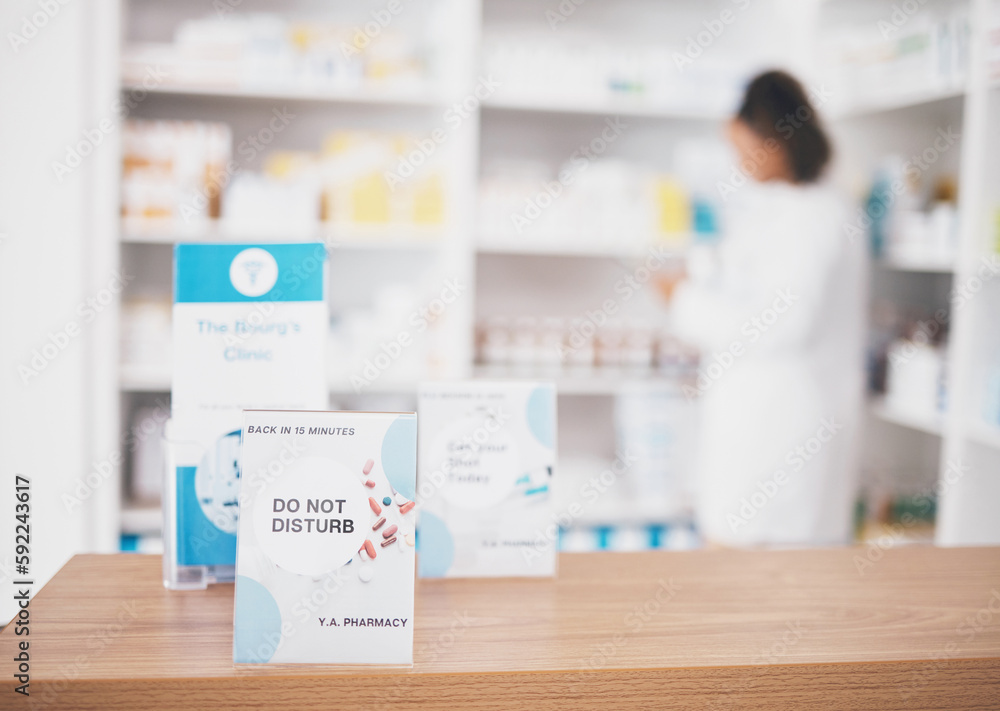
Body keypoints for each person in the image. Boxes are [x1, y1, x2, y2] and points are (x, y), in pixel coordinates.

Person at [668, 70, 866, 547]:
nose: (740, 165)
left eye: (743, 151)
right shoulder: (780, 209)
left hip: (784, 435)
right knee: (735, 575)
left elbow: (780, 324)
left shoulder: (814, 217)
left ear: (776, 142)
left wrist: (682, 299)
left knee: (767, 583)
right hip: (754, 425)